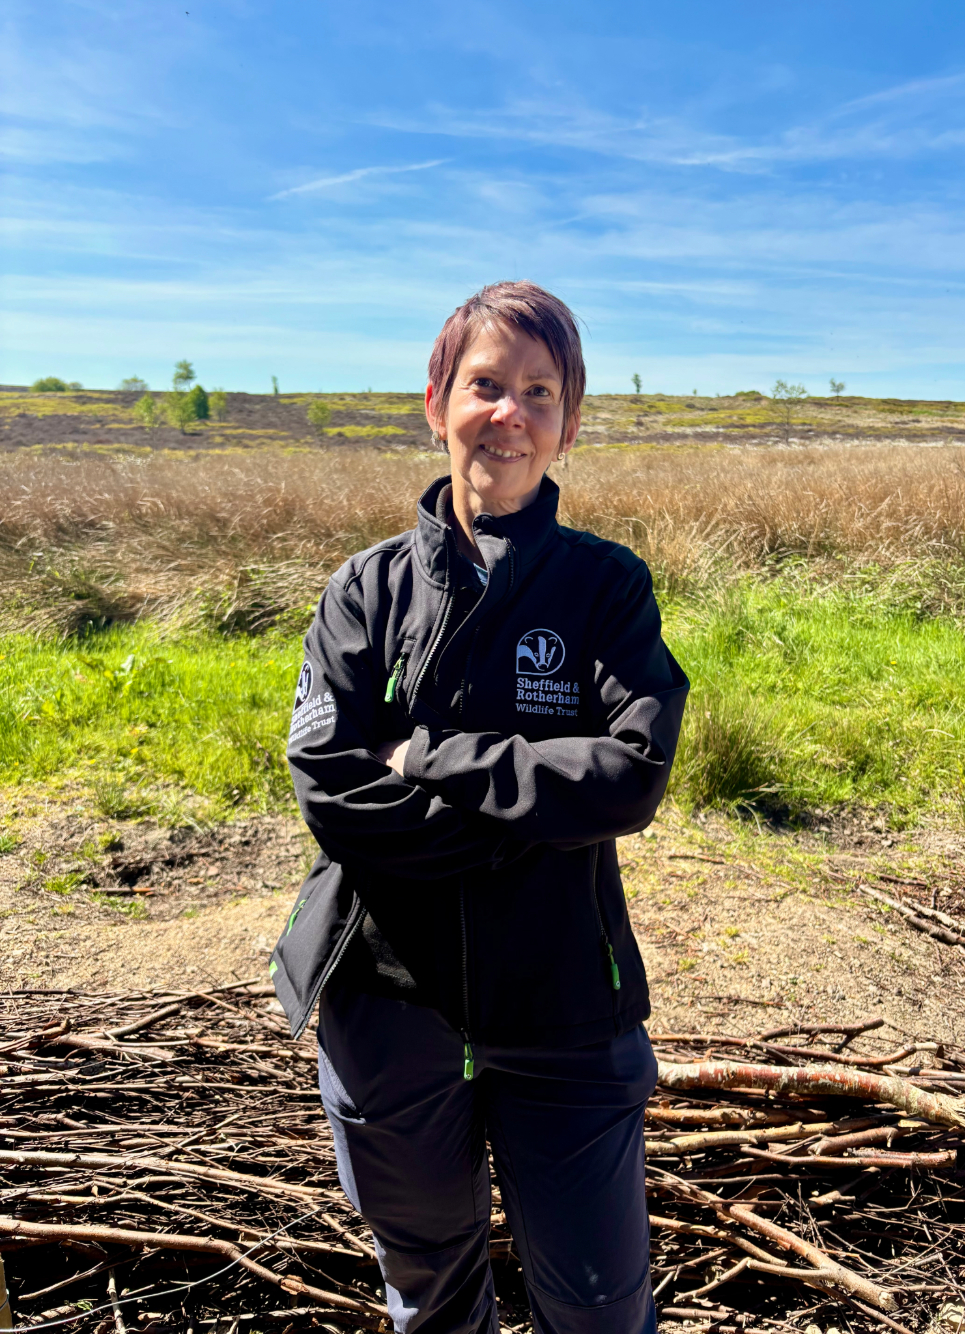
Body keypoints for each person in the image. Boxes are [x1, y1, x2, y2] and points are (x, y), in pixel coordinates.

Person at [270, 281, 689, 1334]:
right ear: (435, 401)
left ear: (568, 423)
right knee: (429, 1292)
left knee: (596, 1302)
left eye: (538, 392)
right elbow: (331, 785)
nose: (509, 413)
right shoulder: (361, 592)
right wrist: (529, 814)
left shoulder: (604, 589)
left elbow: (631, 771)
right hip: (385, 1008)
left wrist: (429, 753)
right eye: (485, 384)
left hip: (564, 1007)